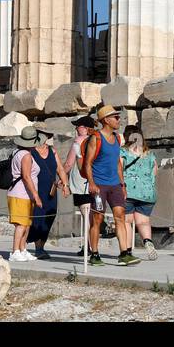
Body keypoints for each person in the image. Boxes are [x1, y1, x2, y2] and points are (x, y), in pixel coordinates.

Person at [82, 105, 139, 266]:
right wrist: (91, 183)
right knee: (97, 220)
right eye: (116, 117)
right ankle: (94, 253)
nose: (119, 120)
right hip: (99, 185)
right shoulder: (96, 138)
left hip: (115, 184)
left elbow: (118, 164)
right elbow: (88, 163)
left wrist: (122, 184)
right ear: (106, 120)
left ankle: (124, 253)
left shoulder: (117, 138)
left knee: (120, 216)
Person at [27, 131, 68, 259]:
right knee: (37, 218)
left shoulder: (52, 151)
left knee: (49, 217)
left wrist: (65, 185)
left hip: (51, 191)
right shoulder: (31, 152)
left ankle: (41, 246)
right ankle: (37, 247)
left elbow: (60, 169)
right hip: (36, 190)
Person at [7, 127, 44, 262]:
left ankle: (22, 249)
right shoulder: (26, 156)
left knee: (26, 224)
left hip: (24, 194)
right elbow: (27, 177)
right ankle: (15, 251)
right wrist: (36, 195)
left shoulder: (18, 152)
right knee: (21, 224)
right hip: (21, 194)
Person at [121, 129, 159, 260]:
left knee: (127, 221)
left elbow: (118, 169)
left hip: (128, 191)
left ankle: (128, 250)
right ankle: (148, 242)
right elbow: (154, 172)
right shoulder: (149, 154)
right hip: (147, 193)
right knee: (143, 221)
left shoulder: (123, 152)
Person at [62, 115, 97, 252]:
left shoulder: (78, 142)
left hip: (81, 184)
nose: (76, 128)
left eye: (78, 126)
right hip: (97, 182)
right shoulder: (99, 141)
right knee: (95, 216)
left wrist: (61, 177)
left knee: (86, 216)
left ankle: (88, 247)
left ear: (85, 128)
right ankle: (93, 246)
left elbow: (69, 163)